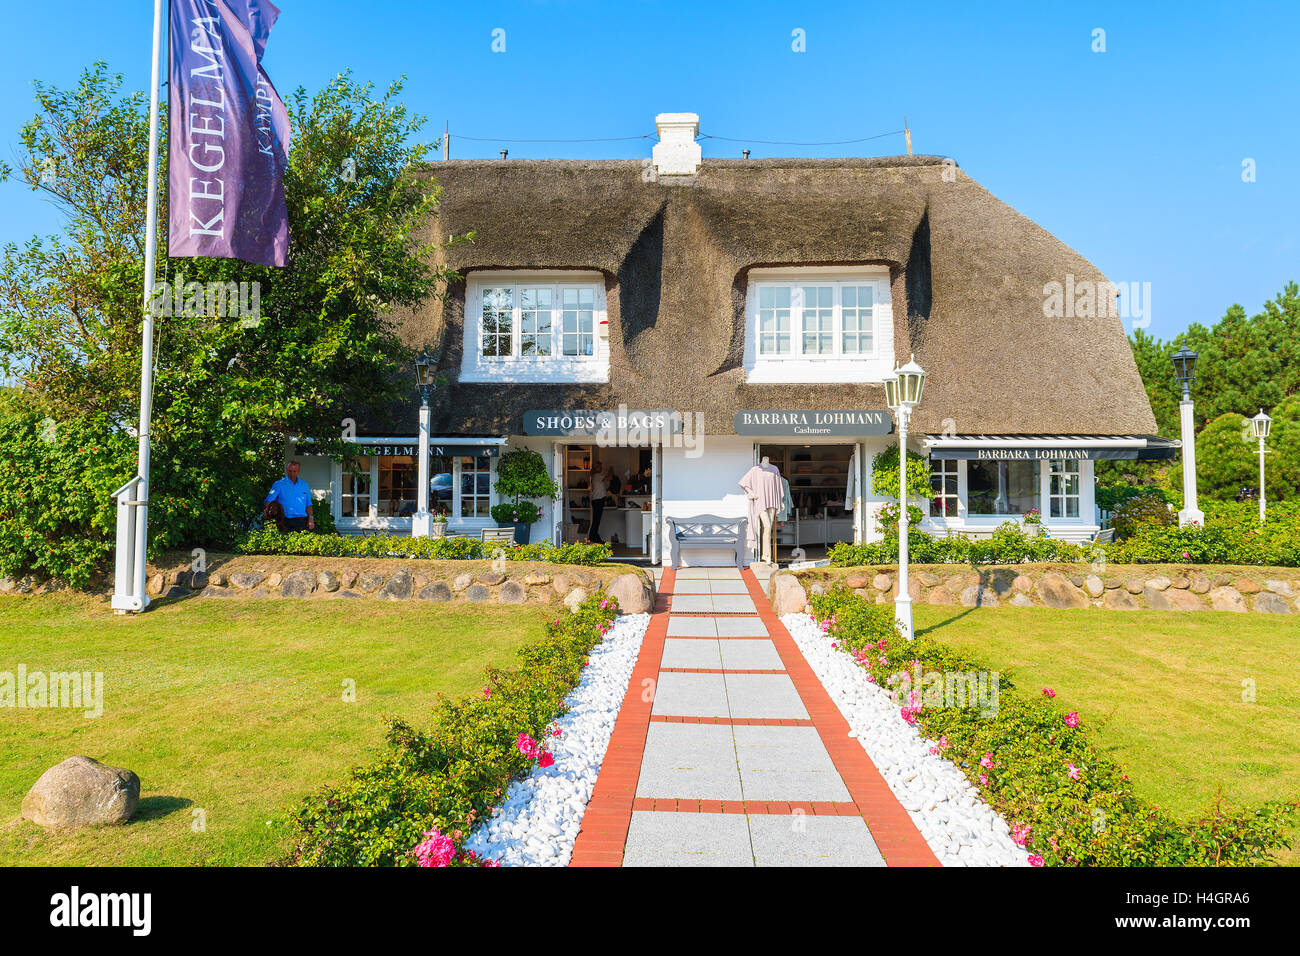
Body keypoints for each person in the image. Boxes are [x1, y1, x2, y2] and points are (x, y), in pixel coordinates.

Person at [265, 460, 315, 532]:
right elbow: (269, 500)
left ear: (298, 471)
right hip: (284, 521)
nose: (292, 473)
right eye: (290, 471)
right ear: (287, 470)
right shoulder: (279, 484)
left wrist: (311, 518)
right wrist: (267, 512)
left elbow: (308, 503)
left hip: (301, 521)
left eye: (294, 471)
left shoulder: (304, 485)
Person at [589, 461, 609, 543]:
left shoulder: (595, 476)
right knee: (596, 521)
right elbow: (609, 478)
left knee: (596, 520)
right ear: (596, 468)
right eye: (600, 467)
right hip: (598, 500)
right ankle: (593, 537)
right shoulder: (597, 475)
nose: (601, 468)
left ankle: (594, 536)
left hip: (597, 500)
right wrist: (611, 470)